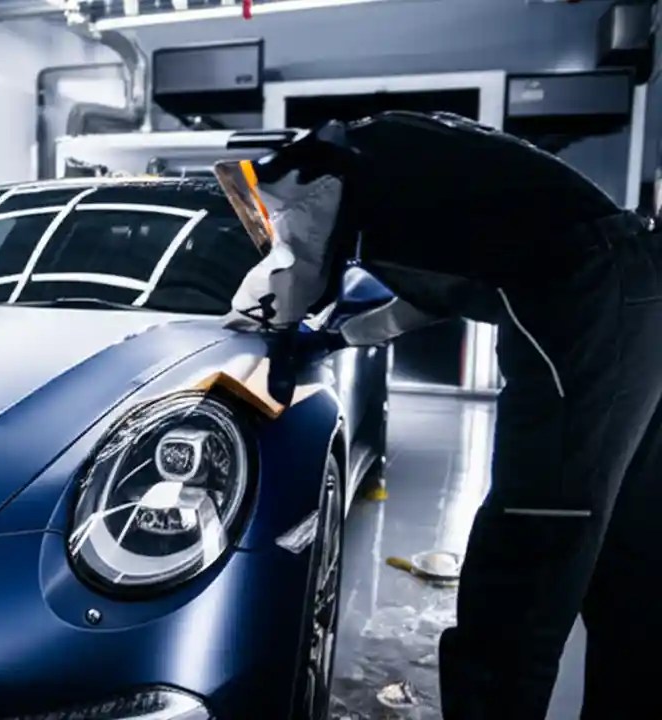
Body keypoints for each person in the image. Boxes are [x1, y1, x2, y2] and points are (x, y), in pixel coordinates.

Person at [216, 111, 662, 719]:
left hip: (586, 304)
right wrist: (342, 336)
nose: (275, 226)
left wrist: (275, 328)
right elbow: (433, 297)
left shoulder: (323, 179)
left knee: (528, 547)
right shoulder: (407, 171)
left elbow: (291, 279)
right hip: (636, 288)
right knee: (627, 555)